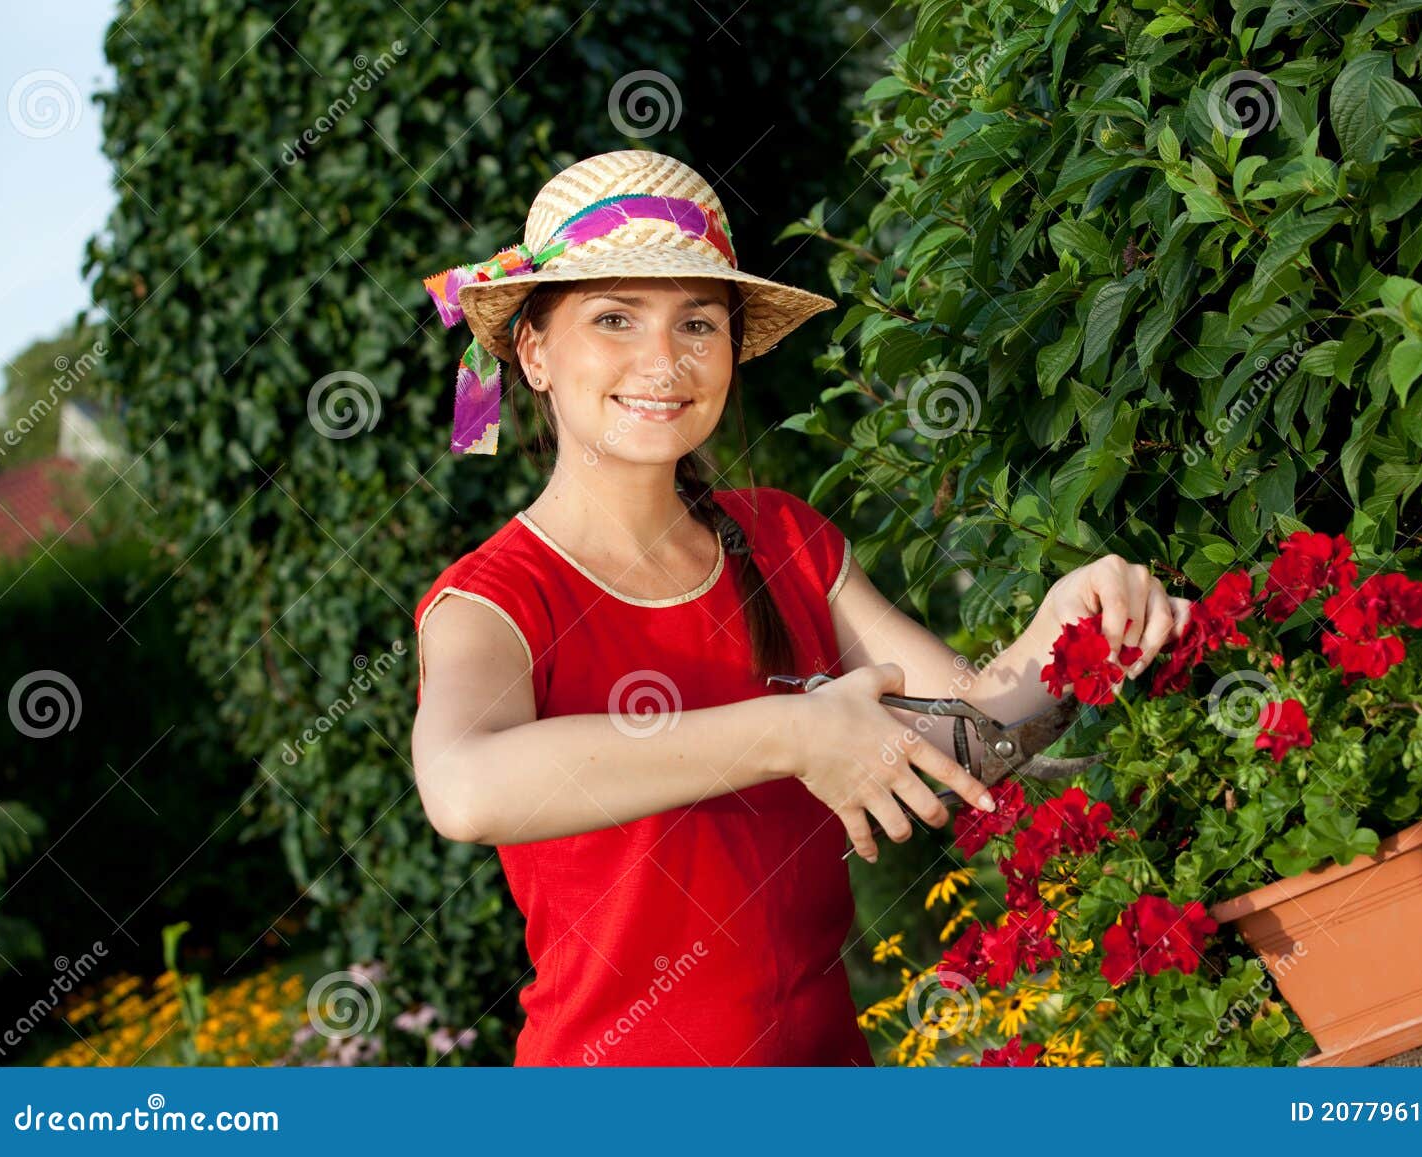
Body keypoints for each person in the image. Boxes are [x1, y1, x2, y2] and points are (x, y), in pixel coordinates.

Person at [410, 150, 1191, 1066]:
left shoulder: (780, 540)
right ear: (535, 352)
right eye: (615, 319)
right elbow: (465, 788)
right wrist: (790, 732)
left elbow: (964, 734)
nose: (663, 361)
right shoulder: (495, 598)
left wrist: (1067, 629)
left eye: (697, 323)